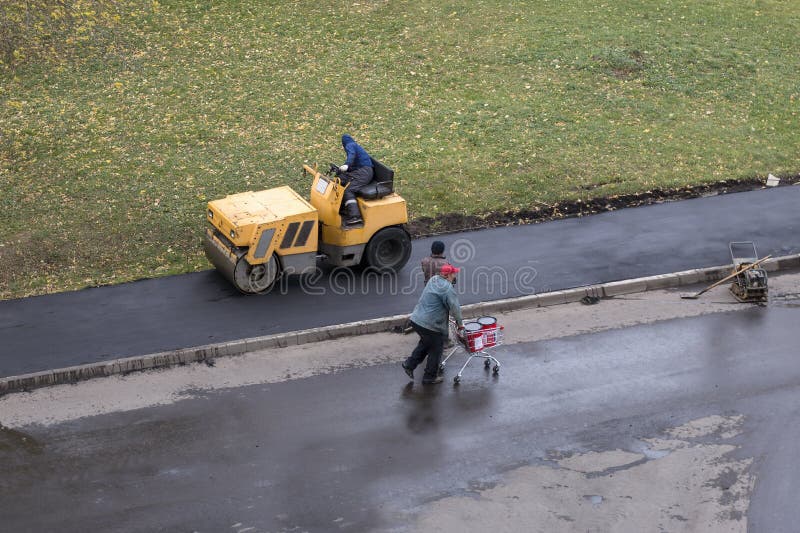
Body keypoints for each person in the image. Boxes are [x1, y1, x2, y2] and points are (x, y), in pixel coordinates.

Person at [402, 263, 464, 384]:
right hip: (430, 325)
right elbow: (455, 308)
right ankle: (429, 377)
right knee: (436, 348)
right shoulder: (447, 288)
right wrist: (460, 324)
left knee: (426, 343)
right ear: (448, 275)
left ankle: (409, 364)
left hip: (416, 320)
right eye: (453, 273)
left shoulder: (433, 279)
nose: (455, 276)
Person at [338, 134, 374, 226]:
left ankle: (355, 217)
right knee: (340, 180)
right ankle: (342, 207)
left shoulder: (350, 145)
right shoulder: (355, 145)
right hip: (362, 170)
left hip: (364, 172)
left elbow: (351, 155)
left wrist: (347, 165)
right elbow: (355, 164)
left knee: (349, 190)